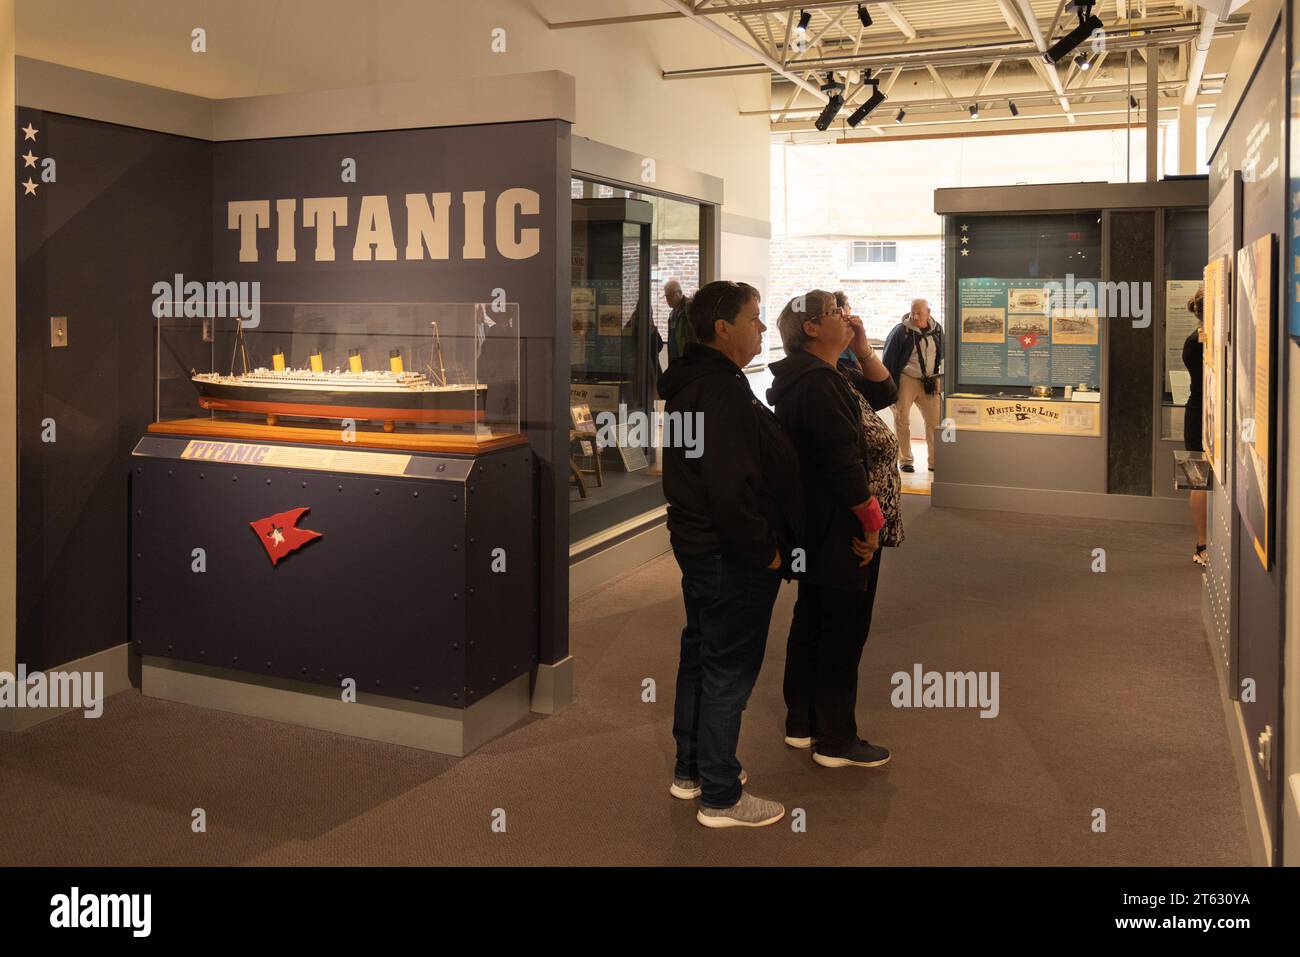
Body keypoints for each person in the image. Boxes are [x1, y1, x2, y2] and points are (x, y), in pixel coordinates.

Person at [658, 280, 803, 828]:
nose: (762, 328)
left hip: (701, 551)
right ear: (723, 328)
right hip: (729, 556)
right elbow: (729, 487)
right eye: (754, 318)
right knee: (727, 671)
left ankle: (691, 771)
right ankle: (721, 795)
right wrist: (765, 551)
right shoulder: (719, 390)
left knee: (701, 657)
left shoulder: (695, 382)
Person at [768, 290, 900, 770]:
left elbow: (884, 394)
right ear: (810, 327)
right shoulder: (818, 383)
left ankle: (803, 721)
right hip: (841, 526)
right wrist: (870, 522)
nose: (847, 317)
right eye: (836, 313)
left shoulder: (825, 375)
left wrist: (863, 348)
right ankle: (835, 738)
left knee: (816, 620)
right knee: (843, 628)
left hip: (824, 524)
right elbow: (840, 461)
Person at [881, 298, 944, 473]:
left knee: (934, 421)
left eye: (920, 313)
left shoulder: (937, 329)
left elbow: (942, 353)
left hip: (930, 380)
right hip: (906, 379)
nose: (915, 317)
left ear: (928, 312)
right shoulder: (901, 331)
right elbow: (889, 359)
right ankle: (906, 460)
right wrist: (889, 387)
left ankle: (934, 461)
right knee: (902, 419)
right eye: (913, 312)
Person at [1183, 286, 1208, 567]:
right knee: (1199, 481)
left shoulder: (1201, 339)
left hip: (1202, 414)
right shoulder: (1197, 342)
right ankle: (1202, 544)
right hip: (1200, 416)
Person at [665, 280, 695, 362]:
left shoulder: (689, 308)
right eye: (666, 296)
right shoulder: (672, 314)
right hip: (676, 360)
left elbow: (693, 335)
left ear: (679, 293)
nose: (667, 299)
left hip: (687, 359)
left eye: (670, 296)